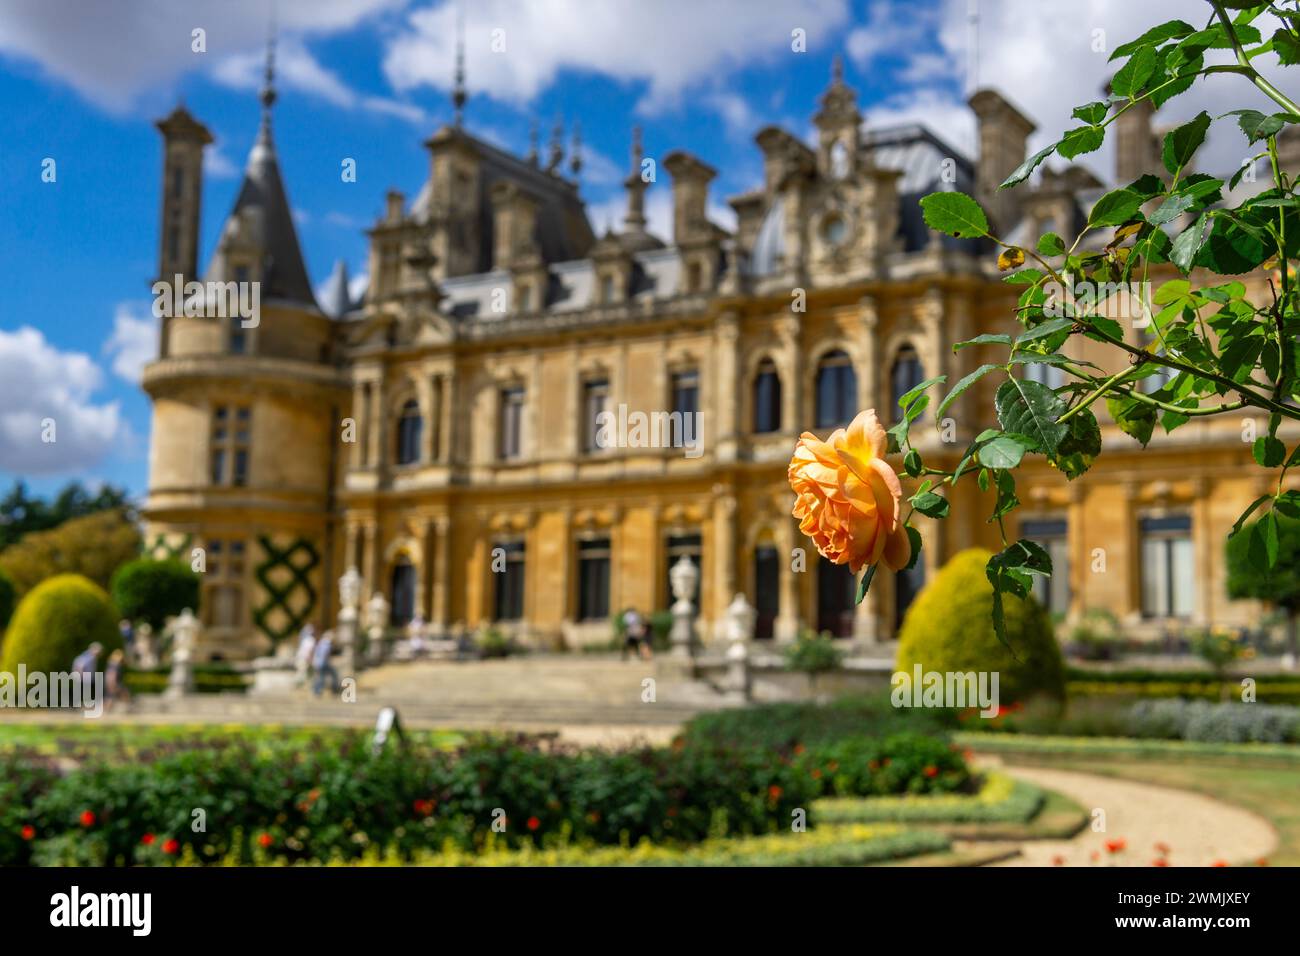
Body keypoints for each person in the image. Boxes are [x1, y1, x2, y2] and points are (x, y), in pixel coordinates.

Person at [312, 630, 338, 697]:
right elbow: (325, 654)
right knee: (325, 677)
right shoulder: (327, 643)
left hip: (317, 662)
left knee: (320, 677)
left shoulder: (321, 642)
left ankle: (316, 691)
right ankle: (332, 690)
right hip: (323, 663)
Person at [294, 623, 317, 688]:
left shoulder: (304, 640)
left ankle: (309, 687)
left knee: (306, 674)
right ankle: (298, 686)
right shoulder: (311, 640)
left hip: (301, 658)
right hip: (306, 659)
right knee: (302, 674)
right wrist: (310, 660)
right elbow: (309, 651)